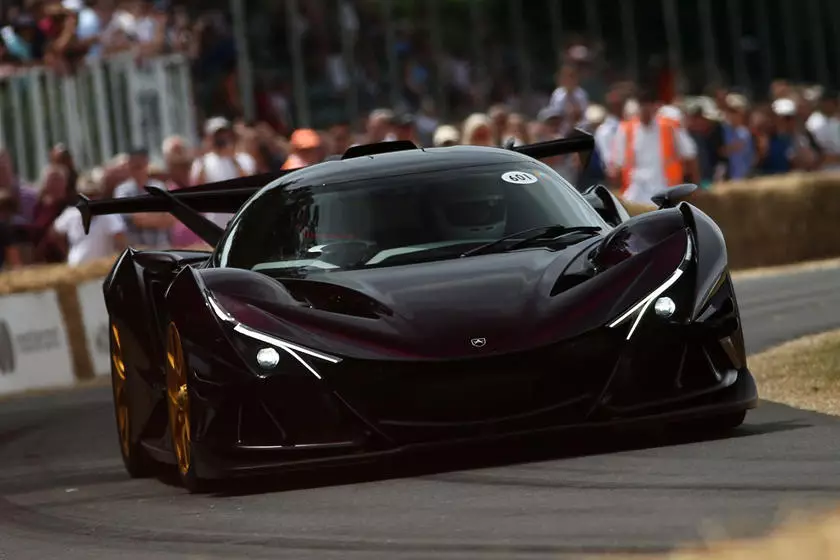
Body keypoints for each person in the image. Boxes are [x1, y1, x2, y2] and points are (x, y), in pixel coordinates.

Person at [609, 89, 698, 205]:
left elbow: (690, 154)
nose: (646, 111)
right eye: (642, 106)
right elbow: (617, 166)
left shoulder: (670, 127)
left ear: (655, 107)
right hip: (635, 195)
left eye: (648, 106)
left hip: (666, 192)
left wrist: (696, 187)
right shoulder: (626, 130)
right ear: (637, 107)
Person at [49, 168, 127, 266]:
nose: (91, 199)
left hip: (100, 270)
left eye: (95, 195)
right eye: (88, 195)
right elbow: (54, 233)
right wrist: (66, 252)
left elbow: (121, 240)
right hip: (76, 269)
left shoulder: (109, 216)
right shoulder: (70, 215)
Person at [190, 116, 256, 228]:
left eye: (225, 134)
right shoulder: (202, 162)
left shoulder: (244, 159)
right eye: (218, 135)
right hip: (214, 223)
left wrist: (232, 158)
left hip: (240, 220)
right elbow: (198, 188)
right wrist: (205, 152)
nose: (222, 138)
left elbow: (249, 184)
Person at [114, 147, 173, 249]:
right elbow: (135, 219)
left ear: (147, 164)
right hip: (137, 250)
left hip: (161, 247)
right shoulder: (122, 190)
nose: (137, 170)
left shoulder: (159, 187)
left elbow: (169, 219)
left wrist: (145, 217)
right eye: (134, 166)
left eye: (140, 165)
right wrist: (158, 218)